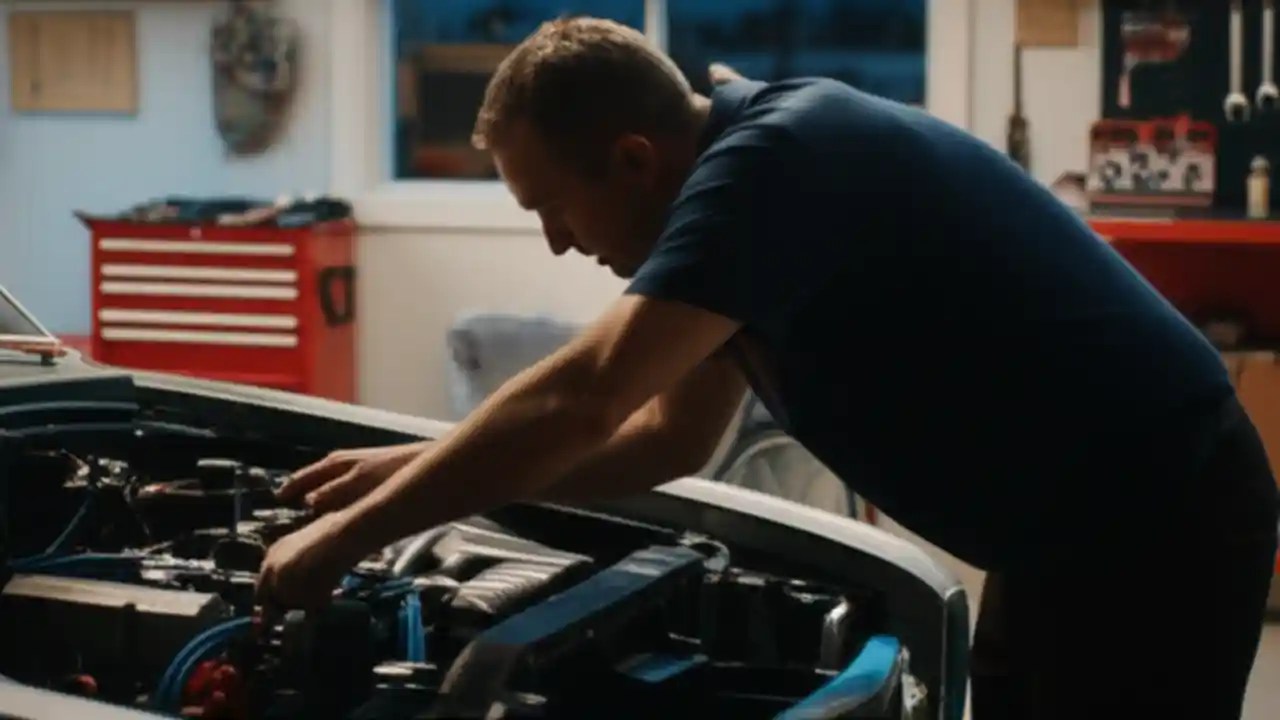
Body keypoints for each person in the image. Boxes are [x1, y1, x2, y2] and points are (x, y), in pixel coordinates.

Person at [255, 17, 1279, 719]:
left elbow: (584, 395)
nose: (556, 244)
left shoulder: (772, 165)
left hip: (1158, 513)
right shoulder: (747, 197)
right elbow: (666, 438)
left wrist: (353, 534)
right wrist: (413, 475)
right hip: (1061, 525)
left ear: (631, 159)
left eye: (550, 207)